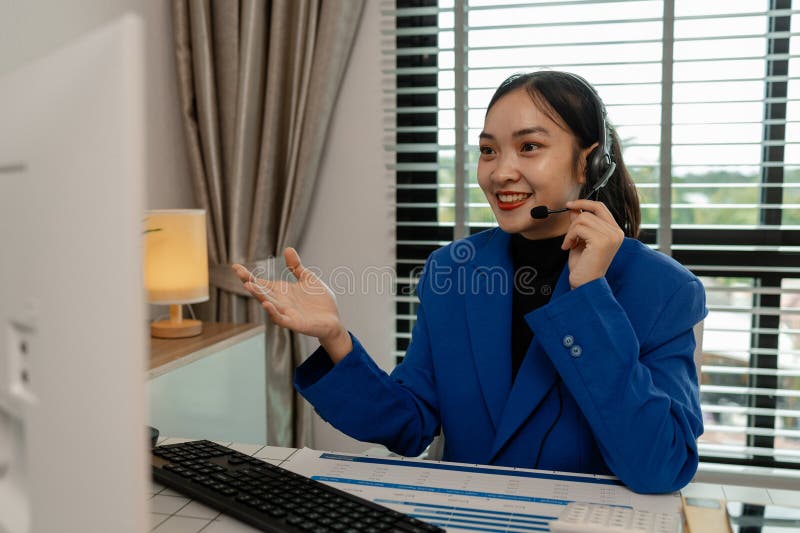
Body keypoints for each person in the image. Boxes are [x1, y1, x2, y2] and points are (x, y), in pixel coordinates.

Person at [232, 71, 707, 494]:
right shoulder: (453, 271)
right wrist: (335, 338)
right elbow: (411, 423)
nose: (500, 172)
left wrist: (589, 298)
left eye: (530, 147)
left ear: (590, 163)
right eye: (488, 150)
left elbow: (661, 466)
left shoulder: (663, 289)